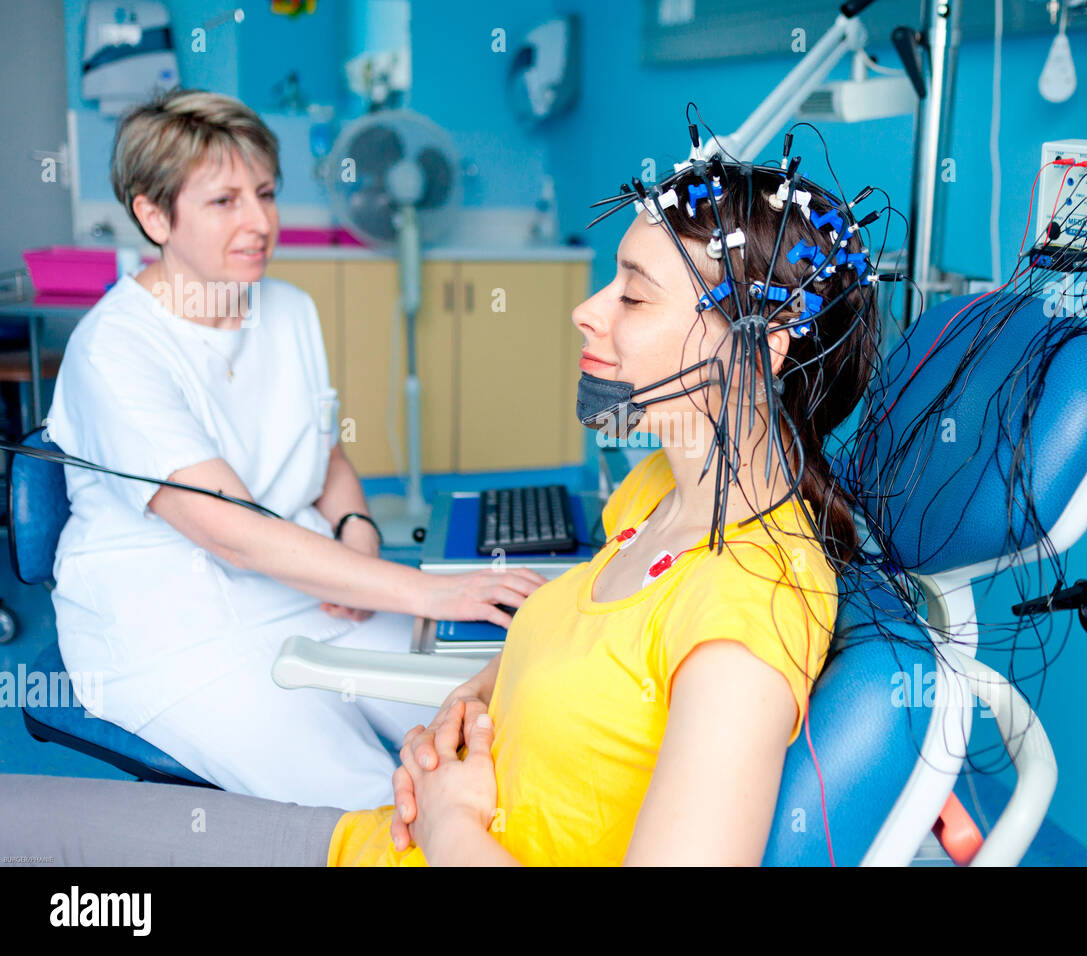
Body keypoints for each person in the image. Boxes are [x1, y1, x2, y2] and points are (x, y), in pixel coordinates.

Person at [1, 146, 879, 865]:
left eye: (634, 294)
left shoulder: (741, 617)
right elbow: (596, 639)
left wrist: (453, 819)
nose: (583, 309)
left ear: (764, 344)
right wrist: (482, 695)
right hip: (368, 815)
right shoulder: (663, 493)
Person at [40, 89, 544, 810]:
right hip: (176, 623)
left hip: (307, 577)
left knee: (494, 724)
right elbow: (232, 534)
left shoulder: (288, 308)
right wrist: (430, 588)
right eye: (224, 202)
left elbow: (322, 452)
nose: (260, 223)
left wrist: (357, 533)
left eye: (267, 194)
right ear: (154, 215)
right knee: (372, 801)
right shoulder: (113, 349)